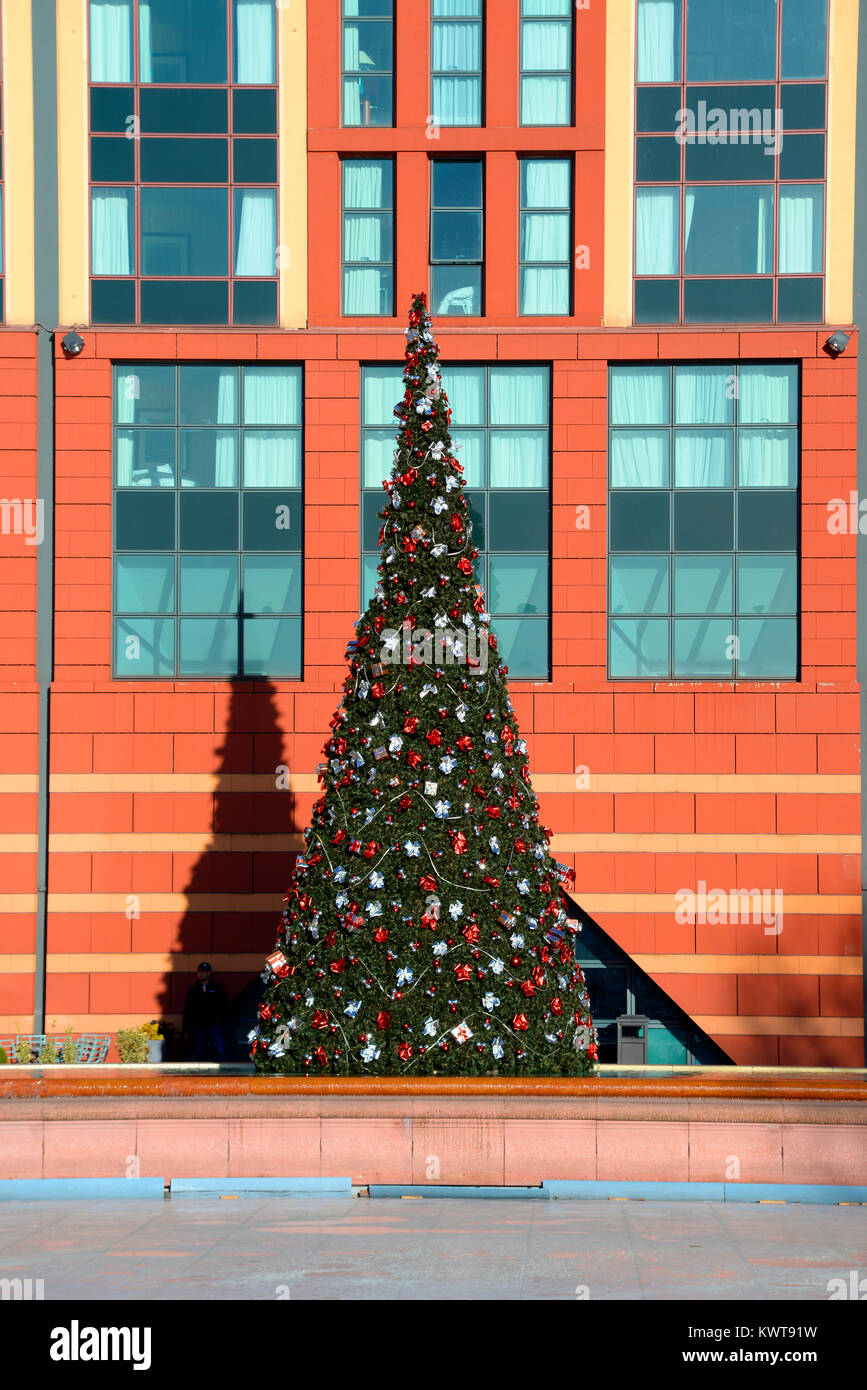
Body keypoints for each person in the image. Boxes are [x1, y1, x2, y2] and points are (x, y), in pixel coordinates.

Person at [182, 962, 228, 1063]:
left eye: (203, 972)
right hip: (199, 1025)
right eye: (198, 972)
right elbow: (187, 1010)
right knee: (200, 1053)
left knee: (220, 1052)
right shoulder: (193, 989)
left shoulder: (217, 988)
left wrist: (223, 1024)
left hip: (214, 1024)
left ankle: (222, 1075)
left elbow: (224, 1007)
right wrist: (185, 1029)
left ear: (209, 973)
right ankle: (202, 1077)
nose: (200, 974)